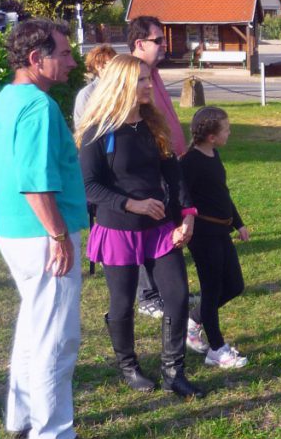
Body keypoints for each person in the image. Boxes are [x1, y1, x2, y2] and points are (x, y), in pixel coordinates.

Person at [0, 19, 99, 439]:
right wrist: (57, 234)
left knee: (33, 325)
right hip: (44, 237)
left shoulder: (1, 102)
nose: (72, 62)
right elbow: (34, 183)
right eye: (63, 54)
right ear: (36, 60)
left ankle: (21, 416)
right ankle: (52, 433)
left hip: (14, 233)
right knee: (56, 334)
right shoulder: (38, 107)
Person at [76, 55, 205, 398]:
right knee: (122, 302)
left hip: (160, 228)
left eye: (148, 78)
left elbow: (173, 175)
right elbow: (88, 185)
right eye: (142, 80)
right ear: (121, 84)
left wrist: (187, 214)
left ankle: (173, 372)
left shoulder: (152, 125)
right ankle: (129, 367)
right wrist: (130, 203)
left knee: (176, 296)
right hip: (118, 228)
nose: (149, 85)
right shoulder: (98, 131)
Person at [126, 15, 189, 319]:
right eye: (158, 40)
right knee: (144, 228)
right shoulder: (130, 76)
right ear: (140, 43)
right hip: (147, 168)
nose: (164, 45)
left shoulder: (155, 74)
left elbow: (165, 117)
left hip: (169, 161)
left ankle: (165, 289)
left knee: (164, 227)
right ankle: (147, 295)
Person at [180, 107, 250, 368]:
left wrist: (238, 223)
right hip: (203, 234)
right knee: (211, 290)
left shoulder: (214, 154)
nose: (229, 132)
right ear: (211, 136)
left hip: (222, 230)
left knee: (234, 285)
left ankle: (194, 319)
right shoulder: (189, 162)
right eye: (226, 129)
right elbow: (180, 197)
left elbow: (222, 193)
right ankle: (217, 349)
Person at [73, 44, 117, 128]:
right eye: (112, 63)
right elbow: (81, 126)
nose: (117, 67)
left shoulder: (121, 89)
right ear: (98, 66)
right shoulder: (87, 93)